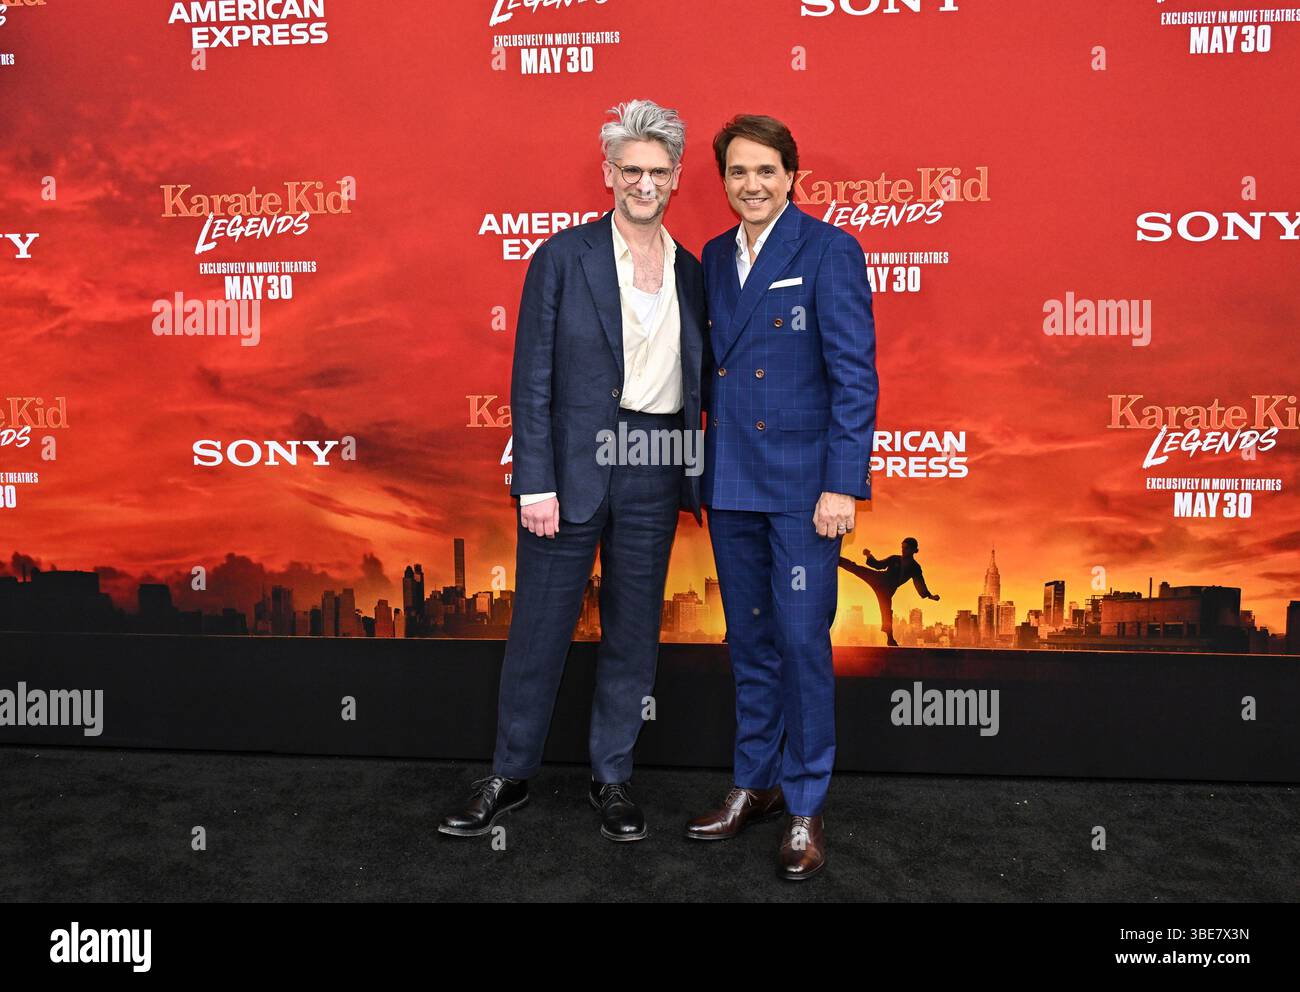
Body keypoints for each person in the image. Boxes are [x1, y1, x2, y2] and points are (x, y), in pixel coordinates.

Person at [438, 99, 707, 843]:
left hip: (655, 459)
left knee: (633, 632)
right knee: (540, 628)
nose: (643, 184)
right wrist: (536, 480)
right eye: (630, 170)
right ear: (608, 174)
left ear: (677, 177)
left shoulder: (694, 269)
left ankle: (613, 777)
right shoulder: (562, 257)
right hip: (575, 463)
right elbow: (531, 379)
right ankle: (509, 774)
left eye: (657, 171)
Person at [685, 115, 878, 880]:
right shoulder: (709, 256)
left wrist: (841, 483)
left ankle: (804, 804)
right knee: (751, 644)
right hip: (731, 481)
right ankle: (755, 784)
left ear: (792, 176)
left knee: (802, 645)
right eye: (738, 172)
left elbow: (853, 376)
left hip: (804, 490)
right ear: (724, 180)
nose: (752, 184)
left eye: (766, 170)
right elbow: (708, 373)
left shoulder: (830, 250)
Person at [839, 538, 940, 646]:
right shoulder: (895, 559)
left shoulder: (915, 568)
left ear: (913, 550)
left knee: (887, 613)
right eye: (902, 547)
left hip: (887, 591)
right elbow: (878, 565)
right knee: (856, 568)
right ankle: (837, 559)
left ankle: (890, 639)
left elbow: (920, 584)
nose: (903, 550)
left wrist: (930, 596)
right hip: (878, 579)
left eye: (906, 548)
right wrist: (868, 555)